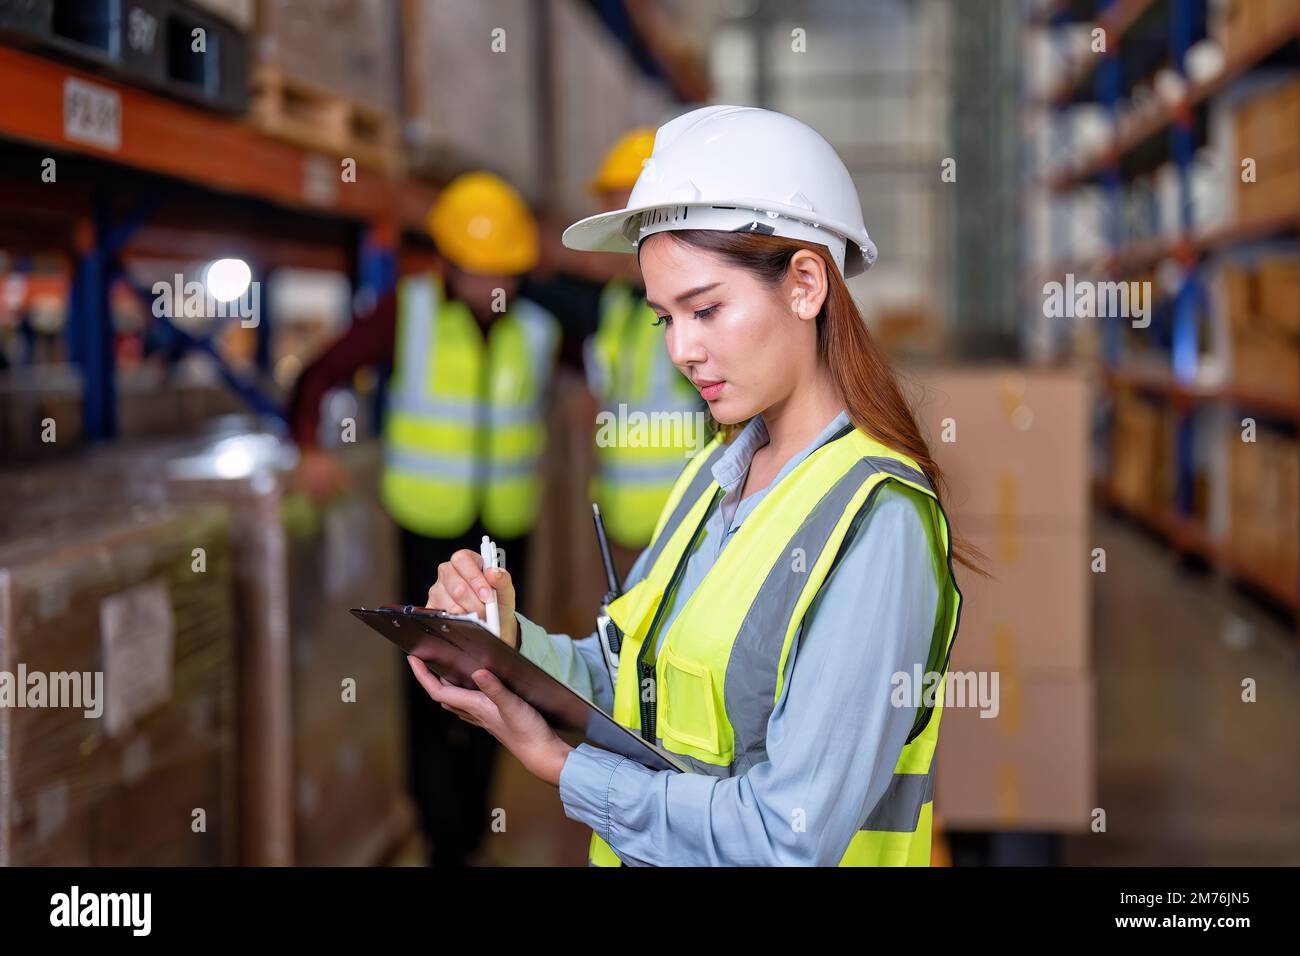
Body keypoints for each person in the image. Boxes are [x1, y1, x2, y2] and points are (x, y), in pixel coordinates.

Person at [408, 105, 980, 866]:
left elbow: (789, 836)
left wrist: (561, 764)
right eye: (663, 320)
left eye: (706, 309)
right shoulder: (713, 480)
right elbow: (631, 681)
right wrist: (508, 644)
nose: (683, 349)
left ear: (807, 284)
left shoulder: (877, 524)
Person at [288, 170, 565, 867]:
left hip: (503, 531)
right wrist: (310, 448)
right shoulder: (407, 313)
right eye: (479, 271)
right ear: (448, 263)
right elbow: (317, 373)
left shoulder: (537, 328)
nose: (491, 285)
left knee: (497, 677)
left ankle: (471, 831)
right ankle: (439, 829)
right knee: (430, 682)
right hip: (428, 528)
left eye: (504, 270)